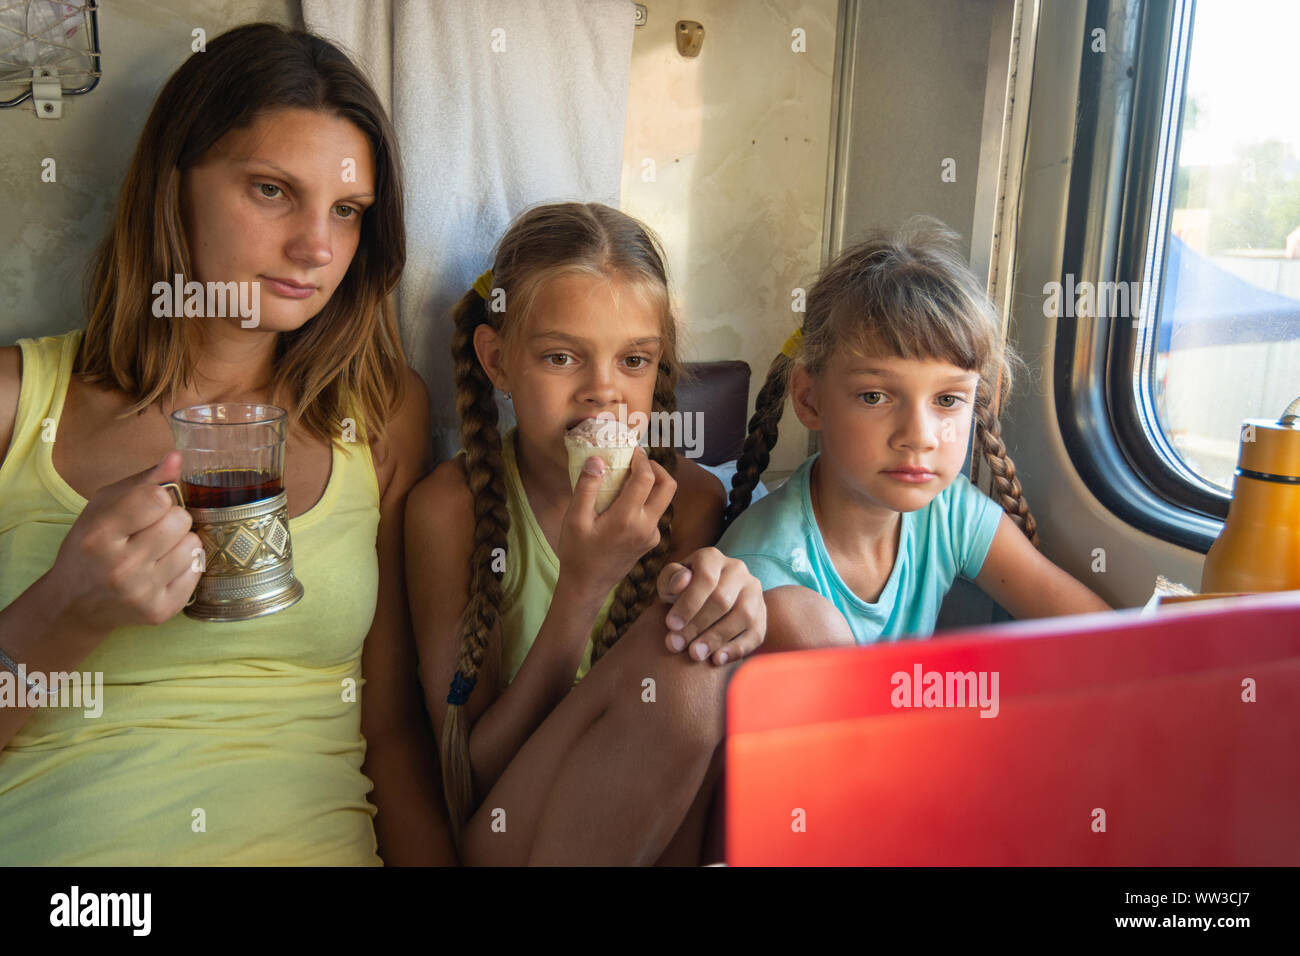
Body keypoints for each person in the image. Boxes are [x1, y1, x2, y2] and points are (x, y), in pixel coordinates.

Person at [0, 24, 454, 865]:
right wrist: (65, 611)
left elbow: (389, 732)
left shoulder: (380, 412)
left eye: (347, 211)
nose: (317, 247)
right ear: (175, 185)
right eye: (273, 191)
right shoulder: (18, 403)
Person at [405, 202, 767, 865]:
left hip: (658, 828)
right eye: (562, 357)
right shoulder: (449, 512)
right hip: (513, 829)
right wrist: (583, 584)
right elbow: (474, 775)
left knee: (795, 619)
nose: (603, 393)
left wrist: (739, 597)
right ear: (498, 361)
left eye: (633, 360)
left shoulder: (690, 502)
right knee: (681, 674)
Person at [718, 219, 1110, 647]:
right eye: (874, 397)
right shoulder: (766, 568)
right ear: (810, 399)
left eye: (947, 400)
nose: (919, 437)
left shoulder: (949, 509)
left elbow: (1103, 637)